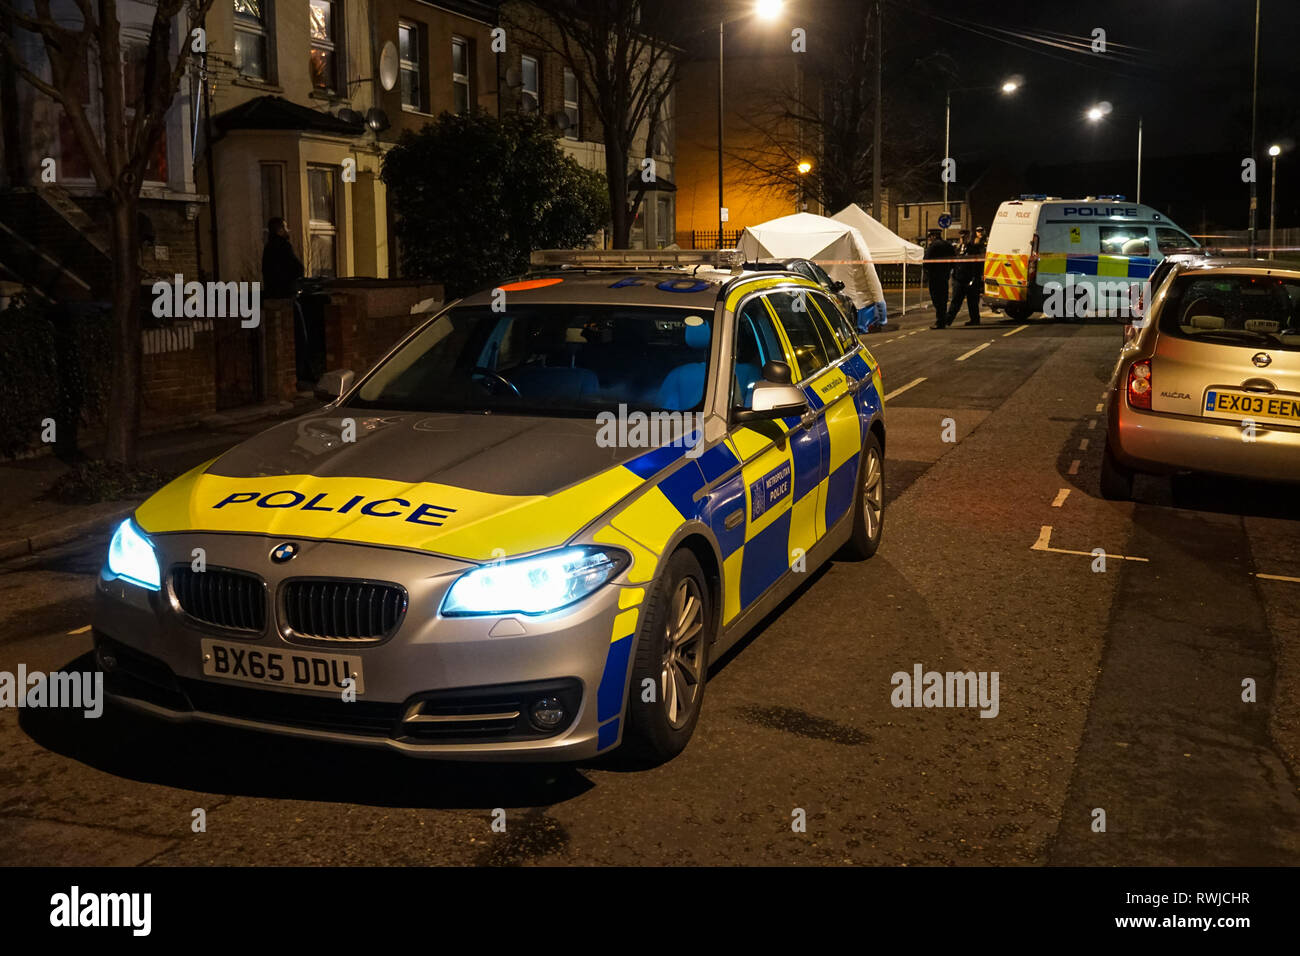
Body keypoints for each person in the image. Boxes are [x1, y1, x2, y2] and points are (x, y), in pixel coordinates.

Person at [261, 217, 311, 385]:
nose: (288, 230)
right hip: (287, 298)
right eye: (286, 227)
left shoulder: (267, 249)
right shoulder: (284, 246)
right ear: (280, 230)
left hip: (272, 297)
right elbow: (298, 268)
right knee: (300, 338)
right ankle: (300, 375)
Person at [946, 224, 987, 326]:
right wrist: (954, 277)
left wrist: (975, 278)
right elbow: (954, 263)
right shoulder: (957, 249)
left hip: (971, 279)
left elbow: (977, 265)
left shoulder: (974, 249)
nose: (963, 239)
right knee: (956, 301)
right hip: (959, 279)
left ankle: (975, 320)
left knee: (972, 302)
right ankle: (948, 320)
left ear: (969, 237)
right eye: (961, 237)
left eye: (965, 237)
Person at [923, 229, 957, 328]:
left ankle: (940, 321)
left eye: (930, 237)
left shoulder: (933, 246)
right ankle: (942, 320)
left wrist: (927, 273)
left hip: (935, 277)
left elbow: (926, 261)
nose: (929, 239)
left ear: (933, 236)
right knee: (943, 299)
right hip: (944, 276)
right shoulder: (947, 245)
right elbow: (954, 259)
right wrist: (948, 270)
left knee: (937, 299)